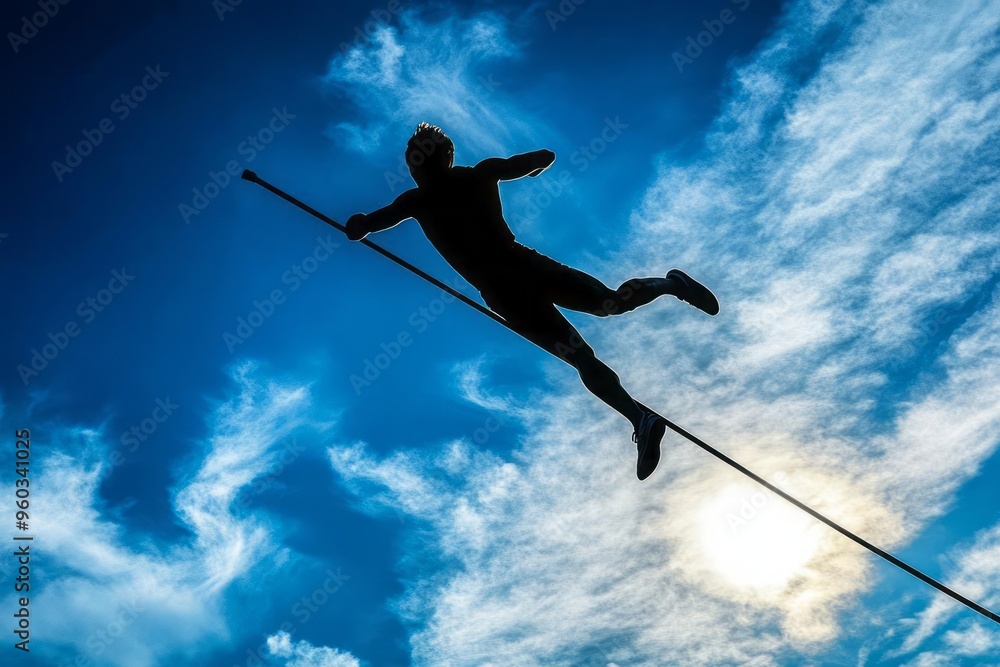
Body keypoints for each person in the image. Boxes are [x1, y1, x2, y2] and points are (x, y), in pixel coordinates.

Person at [345, 123, 719, 480]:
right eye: (412, 160)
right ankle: (641, 419)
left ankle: (672, 284)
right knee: (586, 346)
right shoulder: (472, 177)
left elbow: (371, 222)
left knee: (605, 310)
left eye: (419, 158)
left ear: (443, 158)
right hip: (510, 287)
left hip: (515, 276)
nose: (414, 167)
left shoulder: (431, 193)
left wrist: (361, 224)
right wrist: (534, 167)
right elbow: (544, 155)